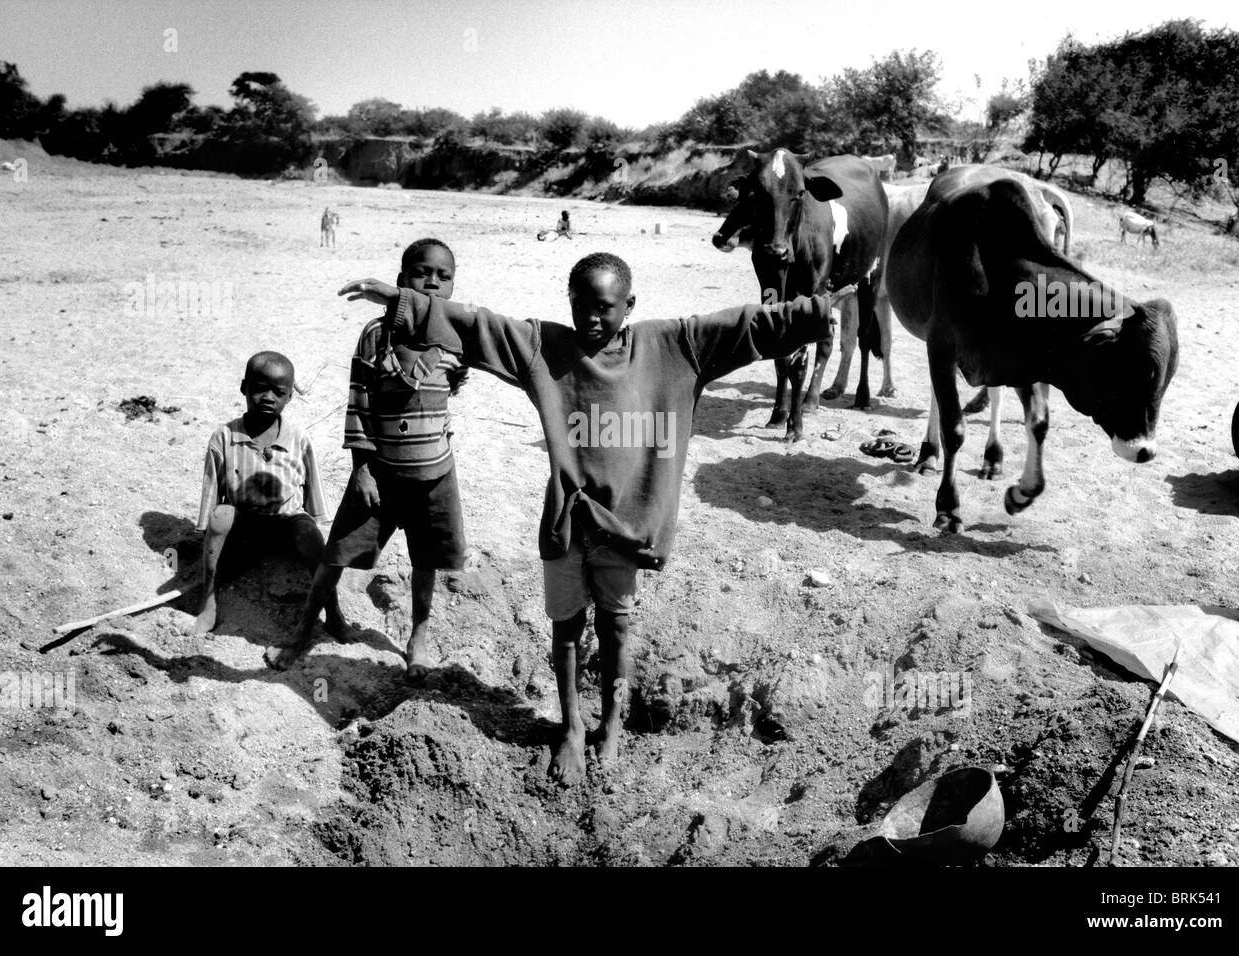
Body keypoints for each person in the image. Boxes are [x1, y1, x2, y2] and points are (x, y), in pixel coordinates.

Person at [335, 253, 832, 785]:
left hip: (627, 528)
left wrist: (818, 308)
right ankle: (571, 725)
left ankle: (612, 724)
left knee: (616, 629)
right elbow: (479, 325)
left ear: (630, 305)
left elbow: (746, 325)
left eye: (605, 308)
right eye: (581, 307)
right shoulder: (546, 349)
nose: (592, 319)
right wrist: (402, 300)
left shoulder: (674, 348)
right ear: (568, 303)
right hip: (568, 523)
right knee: (566, 630)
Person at [265, 239, 469, 676]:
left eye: (444, 276)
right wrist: (362, 469)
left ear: (453, 286)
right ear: (400, 283)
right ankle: (303, 630)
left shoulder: (456, 340)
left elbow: (454, 385)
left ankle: (418, 637)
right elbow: (359, 401)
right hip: (381, 474)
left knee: (425, 559)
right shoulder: (378, 334)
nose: (432, 281)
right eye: (420, 273)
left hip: (435, 474)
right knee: (336, 554)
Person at [195, 351, 337, 635]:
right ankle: (207, 602)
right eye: (260, 389)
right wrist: (206, 531)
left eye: (279, 392)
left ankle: (334, 613)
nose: (269, 397)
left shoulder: (298, 438)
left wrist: (314, 525)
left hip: (286, 525)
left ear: (289, 397)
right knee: (221, 515)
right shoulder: (223, 437)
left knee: (310, 534)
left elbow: (313, 492)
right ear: (244, 388)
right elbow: (212, 492)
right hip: (243, 527)